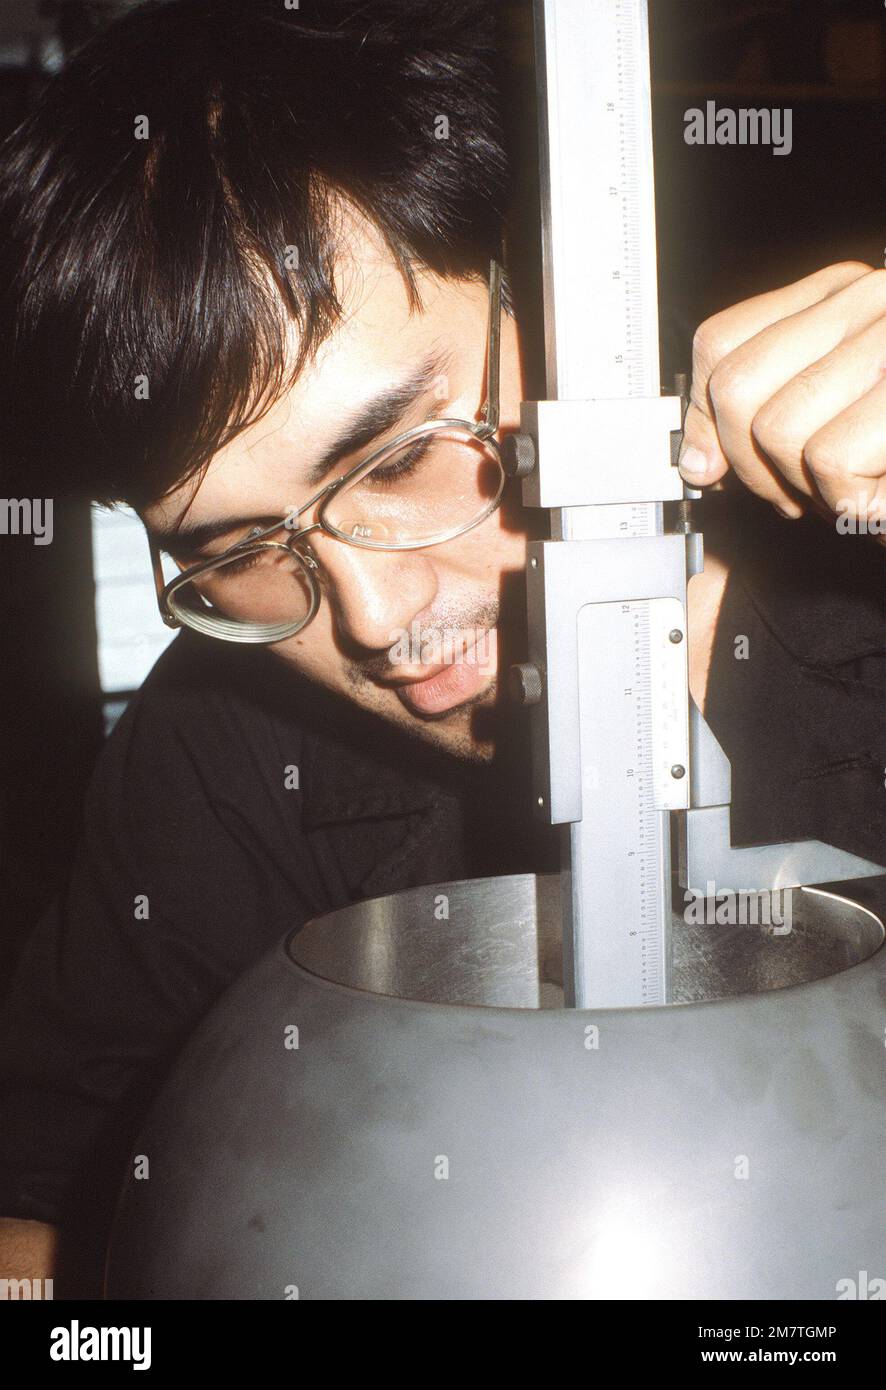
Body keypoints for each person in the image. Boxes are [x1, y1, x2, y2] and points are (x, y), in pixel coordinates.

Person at [0, 0, 883, 1296]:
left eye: (406, 458)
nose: (365, 616)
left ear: (577, 297)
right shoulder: (220, 754)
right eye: (237, 546)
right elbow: (41, 1217)